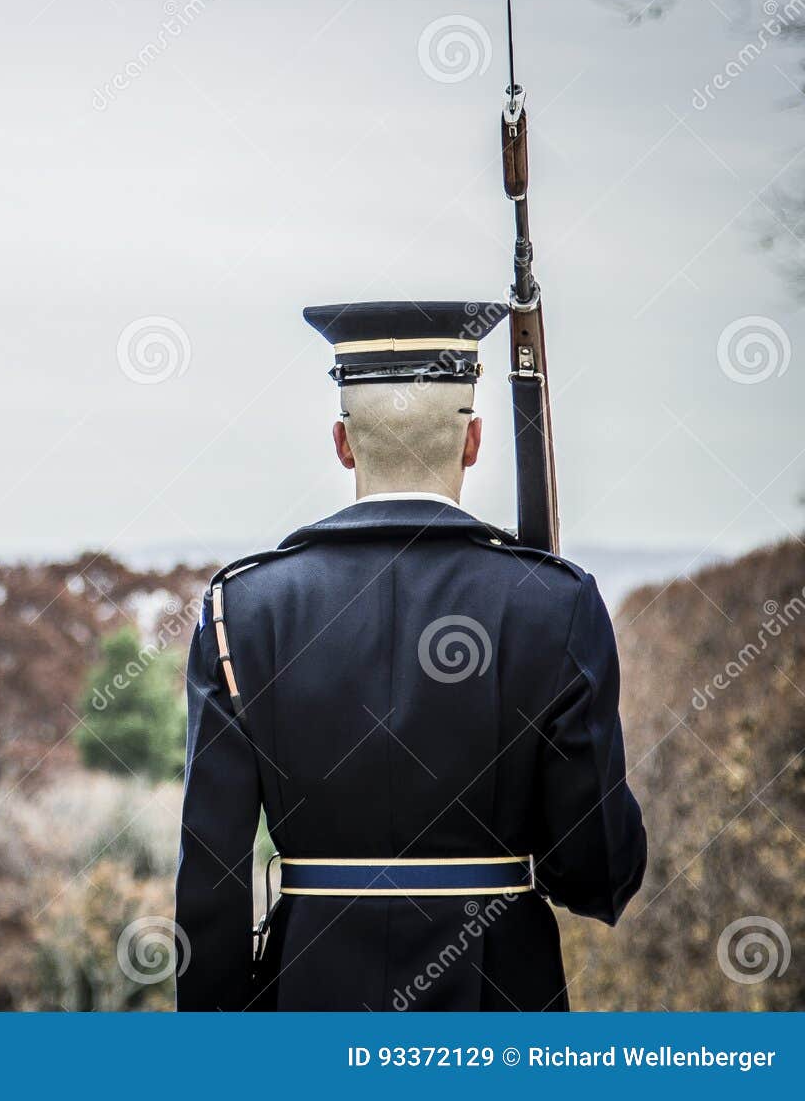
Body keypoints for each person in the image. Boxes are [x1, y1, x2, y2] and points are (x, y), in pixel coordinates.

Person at [174, 301, 646, 1011]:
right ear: (475, 440)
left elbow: (210, 882)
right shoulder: (556, 601)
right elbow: (597, 873)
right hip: (501, 994)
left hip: (305, 993)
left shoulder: (240, 608)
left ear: (341, 442)